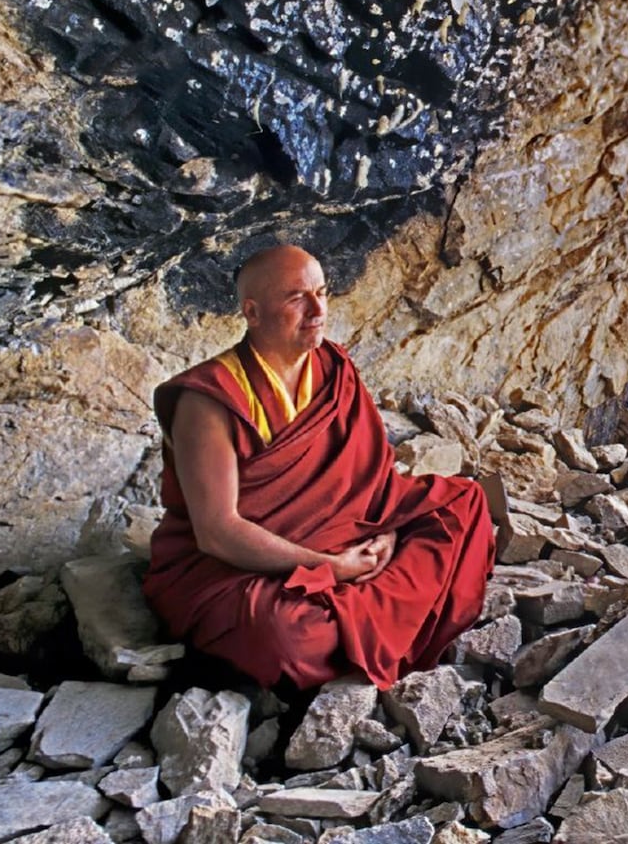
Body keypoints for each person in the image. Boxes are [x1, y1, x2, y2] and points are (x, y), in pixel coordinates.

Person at [143, 244, 497, 690]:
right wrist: (333, 567)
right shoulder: (208, 400)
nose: (317, 311)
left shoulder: (333, 368)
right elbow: (217, 532)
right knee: (287, 637)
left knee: (463, 504)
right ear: (252, 312)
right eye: (296, 298)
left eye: (322, 293)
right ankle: (372, 609)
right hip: (239, 567)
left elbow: (372, 481)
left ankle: (361, 607)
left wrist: (384, 532)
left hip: (344, 539)